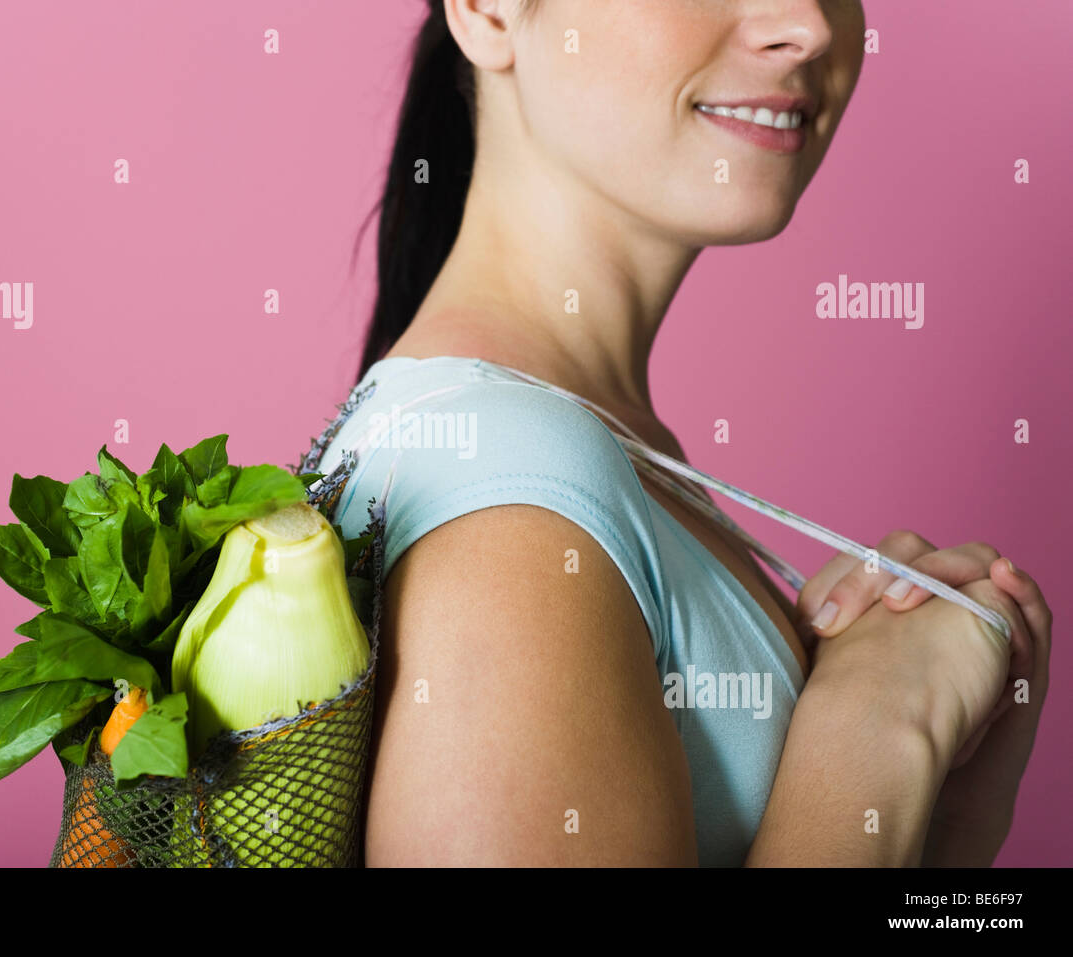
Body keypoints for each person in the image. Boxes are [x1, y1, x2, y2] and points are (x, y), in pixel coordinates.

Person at [311, 0, 1051, 866]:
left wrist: (948, 816)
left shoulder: (565, 446)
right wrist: (880, 728)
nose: (808, 26)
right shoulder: (511, 496)